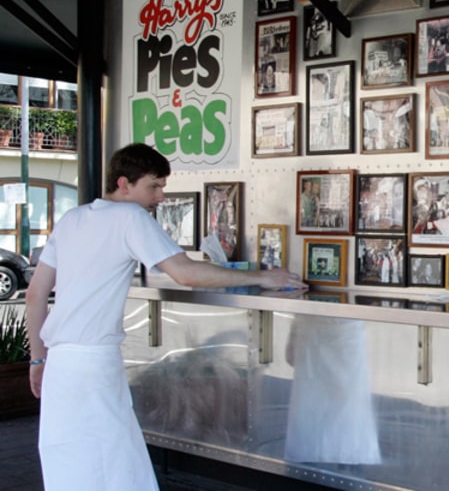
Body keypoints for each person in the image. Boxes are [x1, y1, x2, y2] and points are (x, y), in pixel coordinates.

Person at [25, 143, 304, 490]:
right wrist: (262, 276)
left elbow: (36, 295)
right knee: (112, 460)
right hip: (94, 361)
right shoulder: (130, 216)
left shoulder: (72, 219)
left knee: (69, 458)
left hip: (59, 364)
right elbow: (186, 273)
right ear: (124, 184)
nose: (160, 196)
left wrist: (38, 359)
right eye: (153, 186)